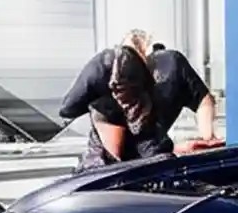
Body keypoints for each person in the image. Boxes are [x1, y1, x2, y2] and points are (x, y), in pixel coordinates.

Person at [60, 30, 220, 170]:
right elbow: (204, 101)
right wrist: (206, 140)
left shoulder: (112, 76)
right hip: (127, 165)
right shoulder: (170, 66)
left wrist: (204, 143)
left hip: (112, 169)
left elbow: (68, 109)